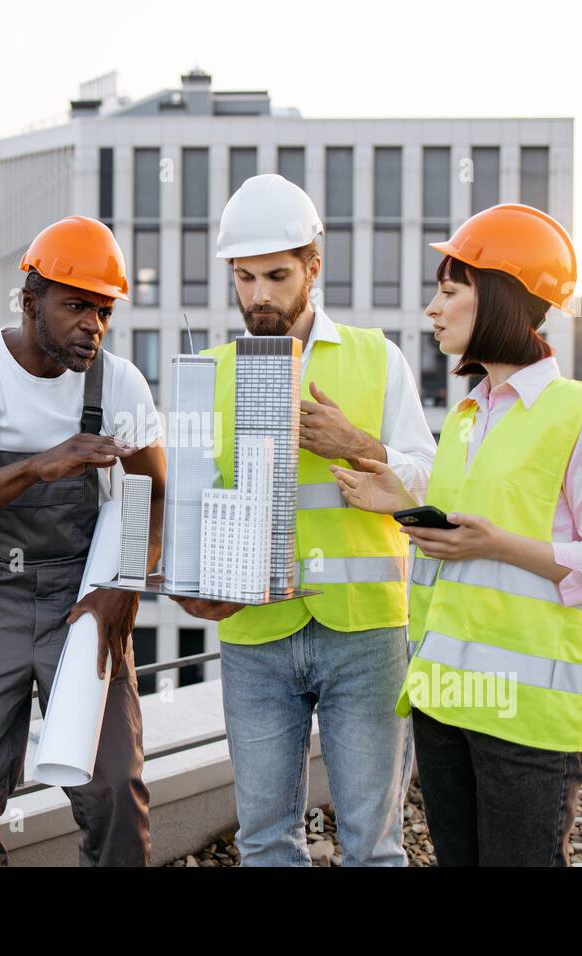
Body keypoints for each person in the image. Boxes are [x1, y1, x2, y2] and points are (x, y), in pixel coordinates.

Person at [331, 203, 582, 866]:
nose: (432, 309)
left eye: (449, 291)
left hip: (524, 714)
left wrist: (497, 545)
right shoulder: (469, 414)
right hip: (446, 696)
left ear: (500, 298)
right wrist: (399, 500)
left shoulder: (575, 414)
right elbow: (458, 535)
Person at [172, 174, 436, 866]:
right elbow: (192, 507)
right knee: (264, 843)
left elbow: (435, 484)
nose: (259, 294)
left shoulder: (379, 359)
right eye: (245, 276)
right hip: (256, 634)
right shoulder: (207, 371)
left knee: (373, 846)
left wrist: (362, 447)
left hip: (366, 633)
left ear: (313, 267)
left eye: (277, 275)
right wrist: (189, 580)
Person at [0, 215, 167, 866]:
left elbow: (155, 497)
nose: (93, 326)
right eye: (76, 306)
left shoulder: (121, 386)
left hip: (84, 597)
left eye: (104, 311)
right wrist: (32, 466)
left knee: (114, 792)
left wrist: (122, 584)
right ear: (29, 302)